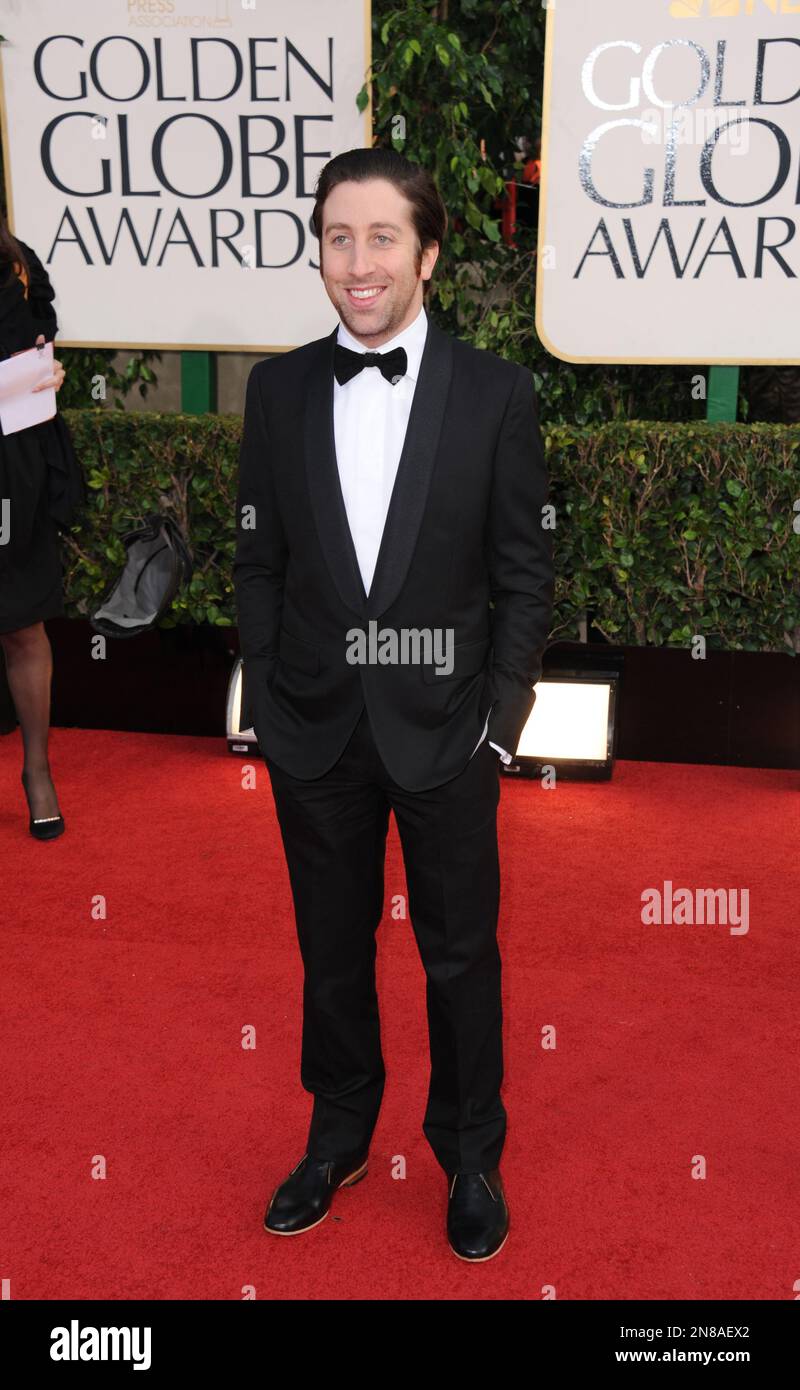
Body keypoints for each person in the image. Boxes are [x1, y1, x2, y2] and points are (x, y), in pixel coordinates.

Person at [233, 147, 554, 1261]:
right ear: (317, 251)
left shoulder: (495, 394)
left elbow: (524, 571)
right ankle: (335, 1135)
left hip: (446, 728)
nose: (355, 263)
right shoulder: (274, 391)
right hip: (313, 728)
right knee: (330, 949)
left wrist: (495, 718)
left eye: (379, 239)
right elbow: (257, 562)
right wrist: (270, 700)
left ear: (426, 255)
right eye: (336, 237)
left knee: (460, 954)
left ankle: (470, 1152)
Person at [0, 221, 85, 839]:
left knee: (22, 623)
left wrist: (45, 373)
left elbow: (33, 348)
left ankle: (37, 773)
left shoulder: (16, 259)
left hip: (13, 468)